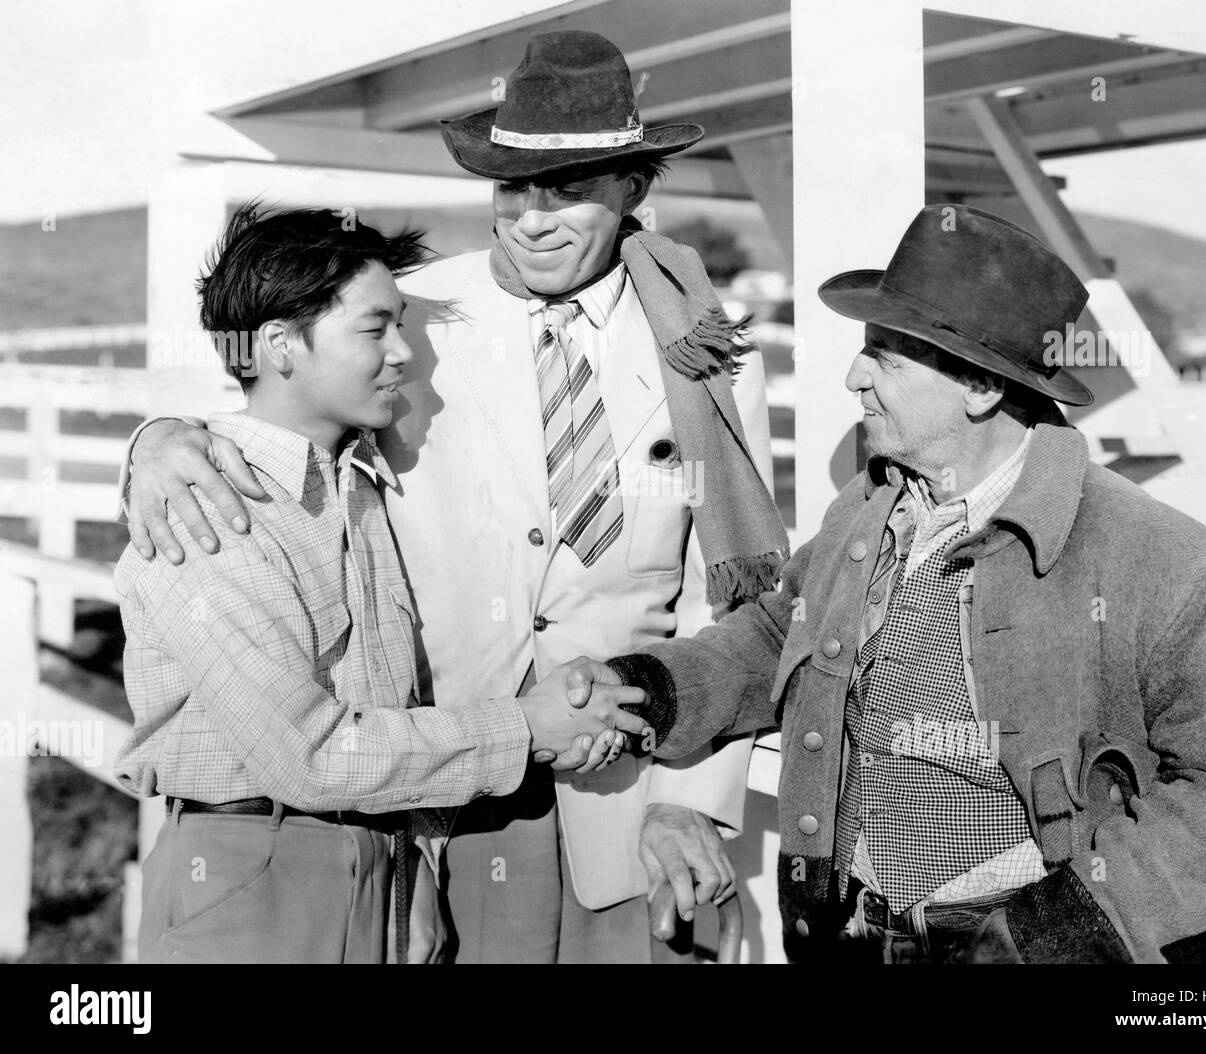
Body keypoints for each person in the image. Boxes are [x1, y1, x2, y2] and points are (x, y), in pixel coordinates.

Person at [118, 31, 786, 964]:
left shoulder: (708, 352)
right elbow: (273, 401)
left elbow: (734, 597)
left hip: (630, 793)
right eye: (515, 188)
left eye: (572, 188)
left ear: (634, 188)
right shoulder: (409, 317)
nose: (535, 219)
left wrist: (692, 810)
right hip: (438, 805)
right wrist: (156, 445)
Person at [567, 204, 1206, 963]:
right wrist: (645, 689)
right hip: (850, 938)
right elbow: (773, 638)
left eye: (884, 354)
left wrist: (1058, 932)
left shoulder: (1167, 562)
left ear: (979, 387)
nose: (854, 377)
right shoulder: (870, 511)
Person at [114, 204, 646, 964]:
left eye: (402, 324)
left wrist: (413, 869)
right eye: (374, 330)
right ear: (278, 346)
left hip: (380, 868)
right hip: (248, 879)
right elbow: (309, 753)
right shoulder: (206, 509)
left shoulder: (358, 484)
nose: (403, 353)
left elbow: (390, 702)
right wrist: (526, 728)